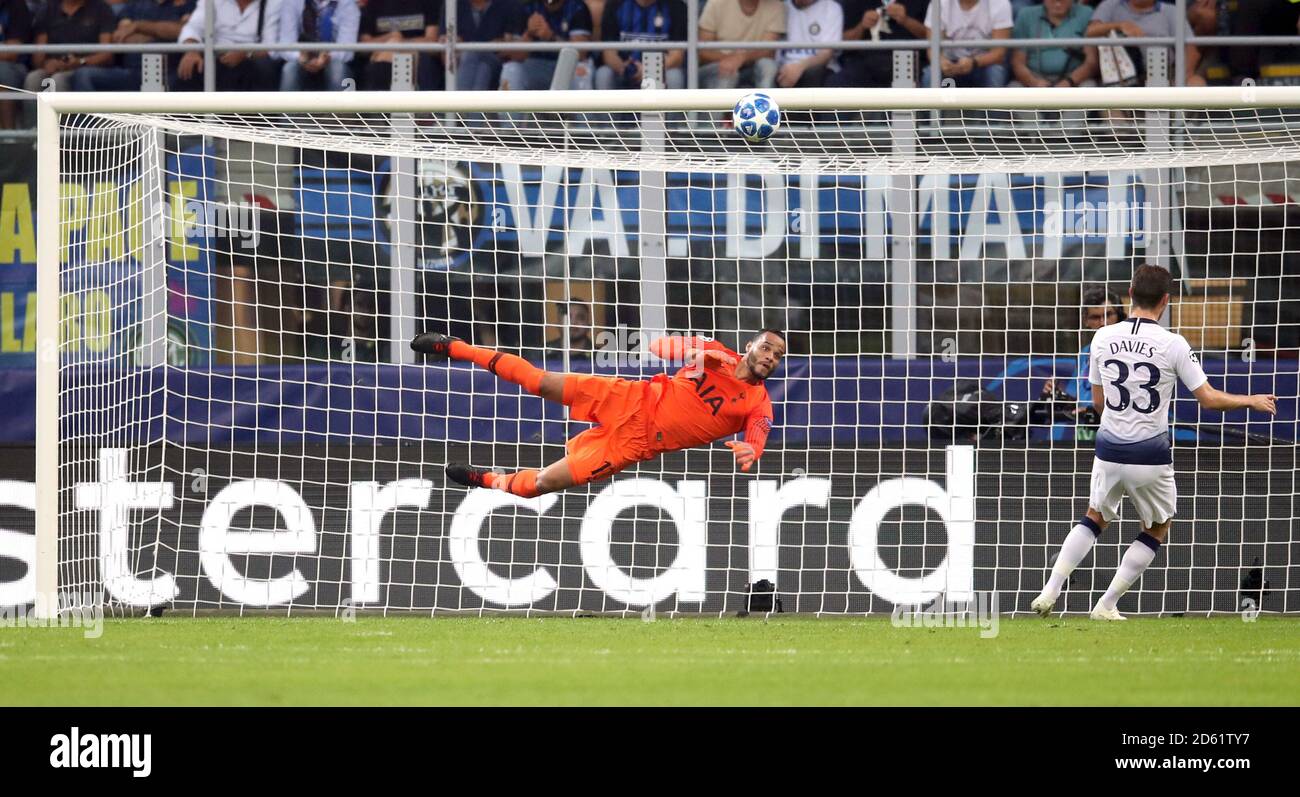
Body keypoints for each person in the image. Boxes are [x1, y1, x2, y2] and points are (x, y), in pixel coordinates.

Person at [1031, 265, 1277, 621]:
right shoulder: (1173, 343)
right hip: (1150, 454)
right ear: (1166, 300)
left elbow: (1099, 404)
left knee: (1094, 518)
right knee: (1157, 527)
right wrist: (1250, 400)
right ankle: (1106, 605)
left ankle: (1049, 591)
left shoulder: (1102, 338)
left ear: (1130, 293)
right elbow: (1207, 399)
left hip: (1108, 450)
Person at [414, 328, 785, 496]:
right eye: (767, 348)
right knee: (540, 383)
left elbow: (758, 437)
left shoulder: (758, 403)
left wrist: (752, 450)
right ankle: (457, 349)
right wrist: (698, 354)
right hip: (630, 397)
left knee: (544, 484)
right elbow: (659, 345)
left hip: (634, 442)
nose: (771, 357)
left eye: (778, 355)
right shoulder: (714, 350)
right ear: (750, 345)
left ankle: (487, 480)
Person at [1086, 0, 1203, 86]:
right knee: (1108, 99)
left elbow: (1191, 50)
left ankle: (1178, 120)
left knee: (1197, 84)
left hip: (1164, 74)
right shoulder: (1111, 5)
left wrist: (1183, 78)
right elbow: (1091, 31)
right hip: (1121, 78)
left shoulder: (1170, 11)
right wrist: (1120, 25)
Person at [174, 0, 283, 91]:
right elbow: (193, 28)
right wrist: (192, 51)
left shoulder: (273, 3)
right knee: (189, 68)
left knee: (258, 70)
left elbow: (271, 47)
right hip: (215, 58)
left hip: (251, 62)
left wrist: (246, 53)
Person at [828, 0, 928, 89]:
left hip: (905, 59)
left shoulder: (922, 2)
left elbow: (932, 37)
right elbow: (843, 41)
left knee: (902, 102)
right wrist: (862, 26)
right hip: (864, 60)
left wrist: (906, 20)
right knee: (836, 84)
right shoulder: (855, 2)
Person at [24, 0, 117, 94]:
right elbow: (38, 55)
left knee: (59, 79)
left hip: (84, 66)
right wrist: (46, 64)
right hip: (54, 66)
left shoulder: (102, 8)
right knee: (33, 78)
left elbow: (107, 54)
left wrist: (80, 62)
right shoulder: (47, 9)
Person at [499, 0, 596, 91]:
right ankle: (511, 109)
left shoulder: (577, 7)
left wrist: (550, 37)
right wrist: (529, 33)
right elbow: (516, 56)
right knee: (511, 69)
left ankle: (580, 108)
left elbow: (581, 53)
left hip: (568, 66)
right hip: (537, 66)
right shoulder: (528, 8)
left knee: (582, 71)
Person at [595, 0, 688, 90]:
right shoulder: (615, 4)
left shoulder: (676, 6)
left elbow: (676, 56)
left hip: (660, 69)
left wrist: (649, 70)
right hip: (624, 69)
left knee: (674, 76)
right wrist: (623, 68)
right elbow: (609, 54)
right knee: (604, 74)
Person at [920, 0, 1013, 88]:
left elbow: (999, 53)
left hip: (984, 64)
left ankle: (992, 105)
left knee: (995, 72)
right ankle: (935, 105)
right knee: (931, 73)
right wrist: (942, 62)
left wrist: (974, 63)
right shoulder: (940, 3)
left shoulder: (999, 3)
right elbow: (932, 49)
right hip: (949, 65)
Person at [696, 0, 784, 90]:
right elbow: (703, 52)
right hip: (717, 66)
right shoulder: (716, 3)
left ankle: (766, 103)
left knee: (768, 66)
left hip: (753, 65)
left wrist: (740, 58)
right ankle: (723, 104)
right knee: (727, 73)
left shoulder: (776, 5)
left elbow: (767, 51)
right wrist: (730, 60)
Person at [1009, 0, 1097, 88]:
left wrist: (1069, 82)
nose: (1058, 3)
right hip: (1034, 77)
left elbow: (1091, 61)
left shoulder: (1086, 13)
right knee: (1013, 89)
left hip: (1074, 79)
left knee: (1090, 88)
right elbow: (1018, 62)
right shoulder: (1026, 15)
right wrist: (1034, 82)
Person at [277, 0, 360, 91]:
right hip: (302, 56)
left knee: (337, 69)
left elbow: (347, 50)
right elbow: (286, 44)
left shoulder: (348, 4)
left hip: (332, 57)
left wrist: (326, 57)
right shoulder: (292, 2)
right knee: (290, 69)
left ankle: (340, 105)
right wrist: (301, 57)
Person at [777, 0, 842, 88]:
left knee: (814, 73)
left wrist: (799, 67)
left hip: (818, 69)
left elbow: (826, 54)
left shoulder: (831, 8)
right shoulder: (782, 8)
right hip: (784, 69)